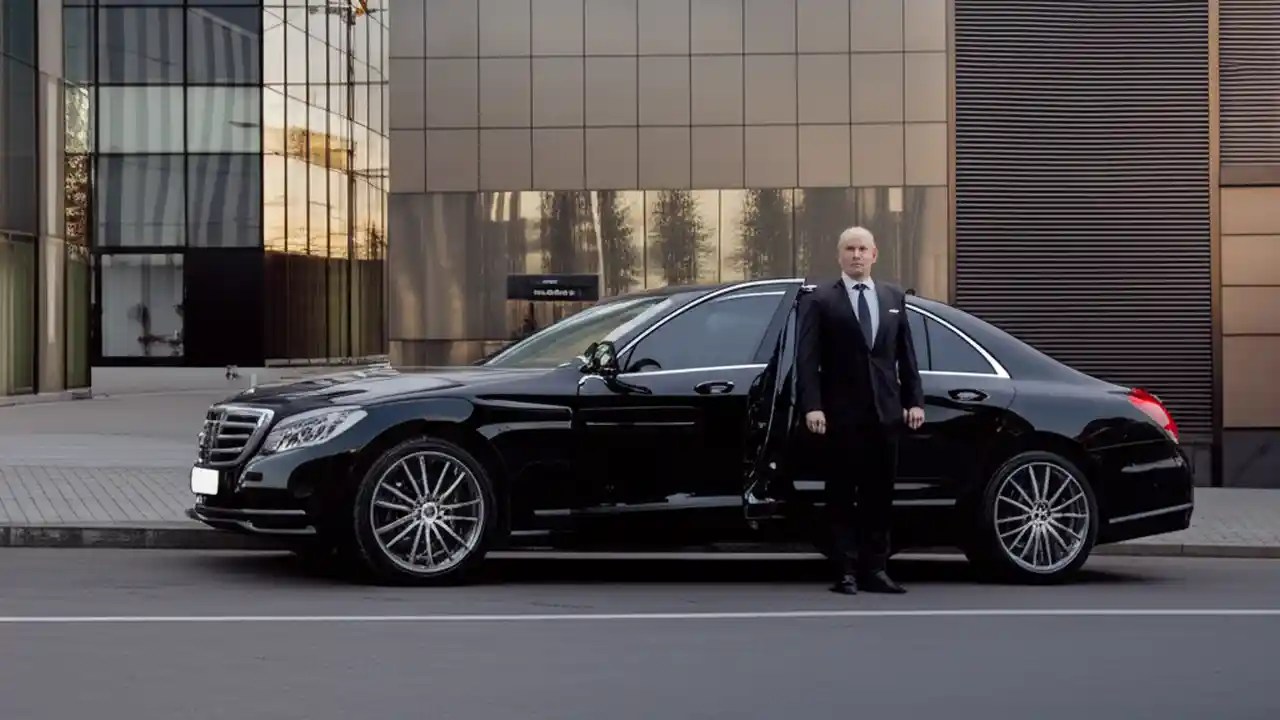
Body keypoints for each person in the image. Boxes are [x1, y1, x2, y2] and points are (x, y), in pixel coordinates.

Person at [795, 226, 925, 595]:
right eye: (850, 249)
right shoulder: (820, 300)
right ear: (840, 255)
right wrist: (813, 406)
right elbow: (807, 360)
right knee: (840, 494)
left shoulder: (893, 297)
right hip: (839, 414)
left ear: (874, 254)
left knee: (879, 495)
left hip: (885, 413)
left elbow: (906, 356)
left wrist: (914, 400)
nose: (856, 255)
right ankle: (846, 570)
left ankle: (877, 569)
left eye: (862, 249)